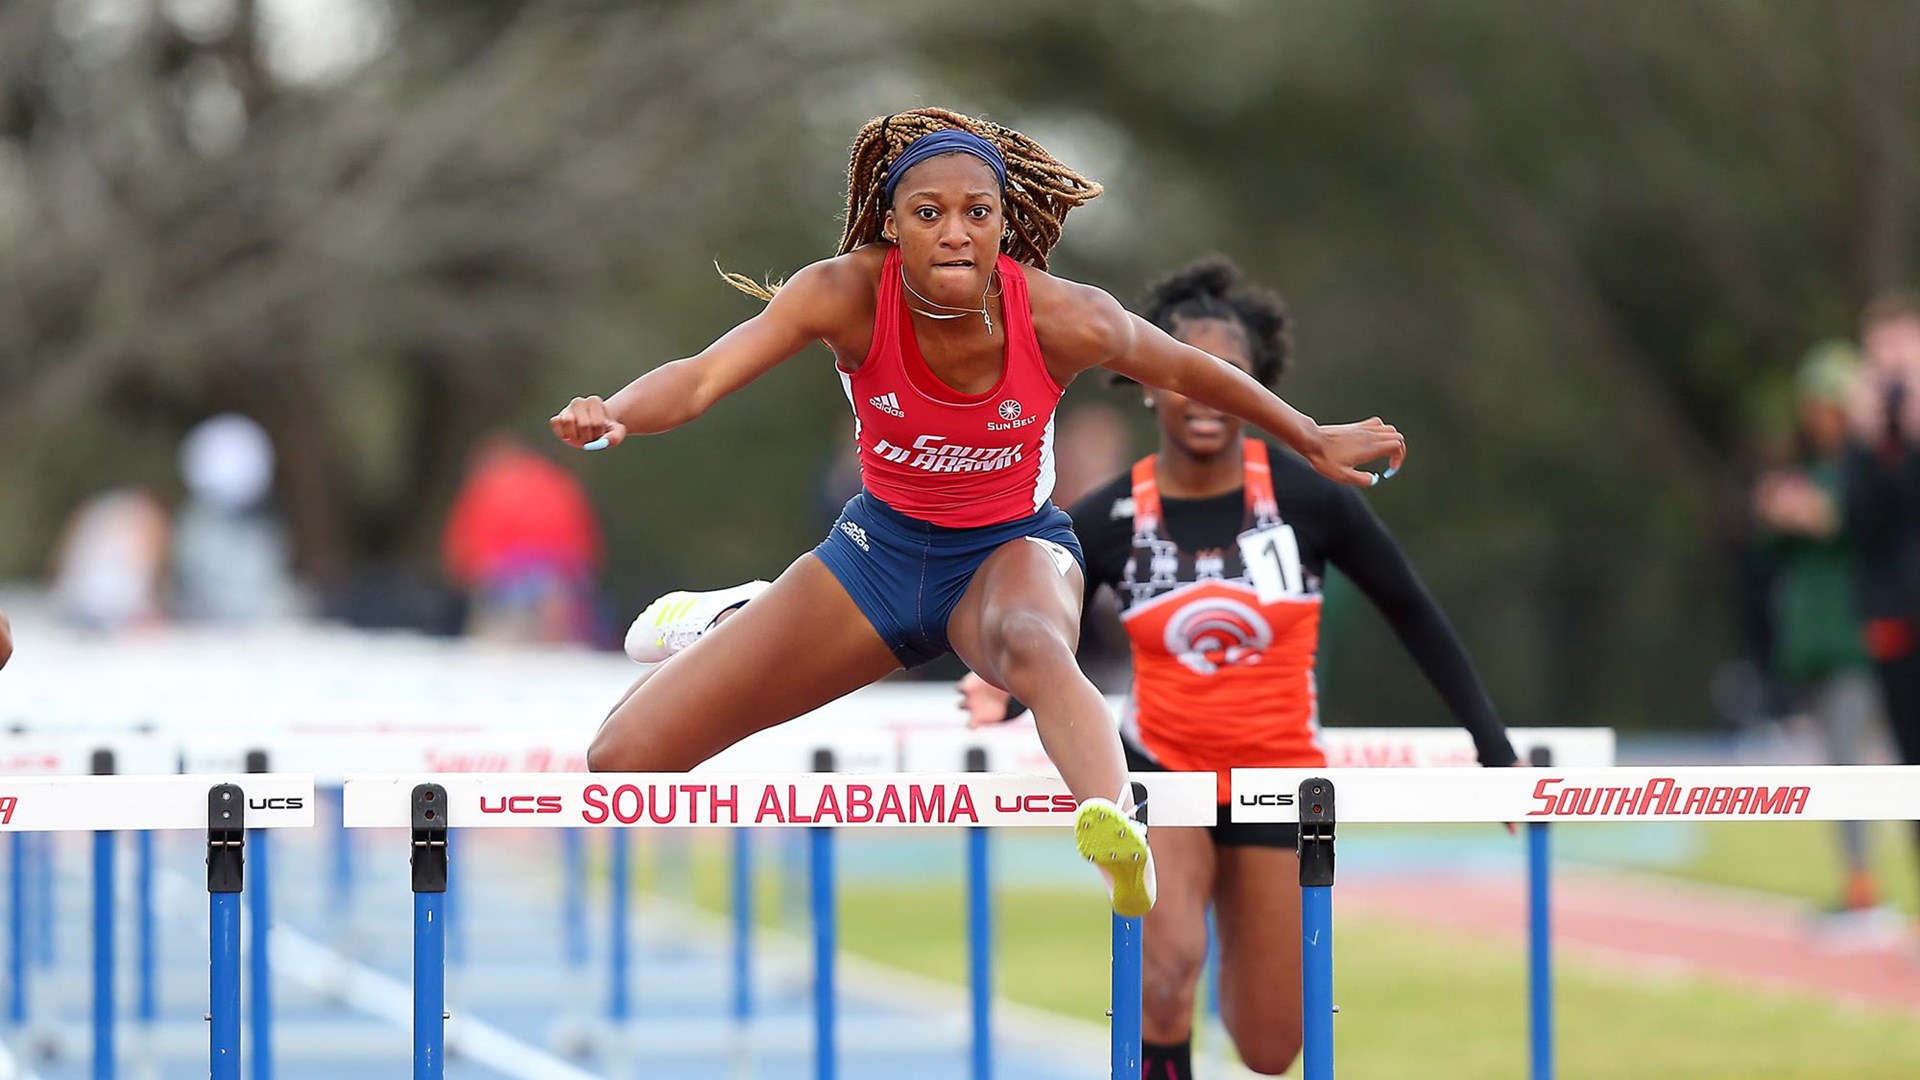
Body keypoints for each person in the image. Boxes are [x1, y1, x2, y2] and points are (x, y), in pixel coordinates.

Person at [550, 109, 1405, 919]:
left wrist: (1306, 436)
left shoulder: (1067, 315)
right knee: (623, 757)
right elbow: (701, 376)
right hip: (875, 558)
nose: (954, 230)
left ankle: (1117, 828)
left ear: (1003, 226)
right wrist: (616, 409)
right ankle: (738, 613)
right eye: (929, 212)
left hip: (1009, 550)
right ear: (891, 224)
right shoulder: (843, 294)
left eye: (976, 212)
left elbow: (1189, 370)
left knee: (1034, 643)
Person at [948, 257, 1514, 1076]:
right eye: (1191, 372)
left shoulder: (1309, 499)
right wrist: (1000, 682)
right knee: (1168, 968)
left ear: (1259, 388)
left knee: (1273, 1044)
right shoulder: (1108, 516)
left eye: (1233, 376)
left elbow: (1413, 611)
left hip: (1278, 781)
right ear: (1151, 380)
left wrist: (1491, 748)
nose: (1207, 395)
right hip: (1162, 771)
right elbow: (1034, 613)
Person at [1752, 342, 1885, 917]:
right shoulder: (1799, 469)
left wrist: (1814, 513)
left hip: (1860, 644)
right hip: (1810, 649)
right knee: (1836, 766)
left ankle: (1863, 888)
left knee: (1857, 765)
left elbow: (1861, 526)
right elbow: (1770, 543)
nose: (1817, 419)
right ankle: (1856, 882)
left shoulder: (1870, 467)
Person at [1843, 291, 1920, 916]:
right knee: (1909, 762)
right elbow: (1861, 526)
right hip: (1897, 618)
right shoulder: (1867, 448)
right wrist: (1869, 442)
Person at [442, 435, 606, 645]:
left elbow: (465, 544)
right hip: (556, 580)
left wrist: (465, 576)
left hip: (504, 580)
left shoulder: (488, 485)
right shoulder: (555, 480)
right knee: (552, 642)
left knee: (498, 642)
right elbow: (584, 539)